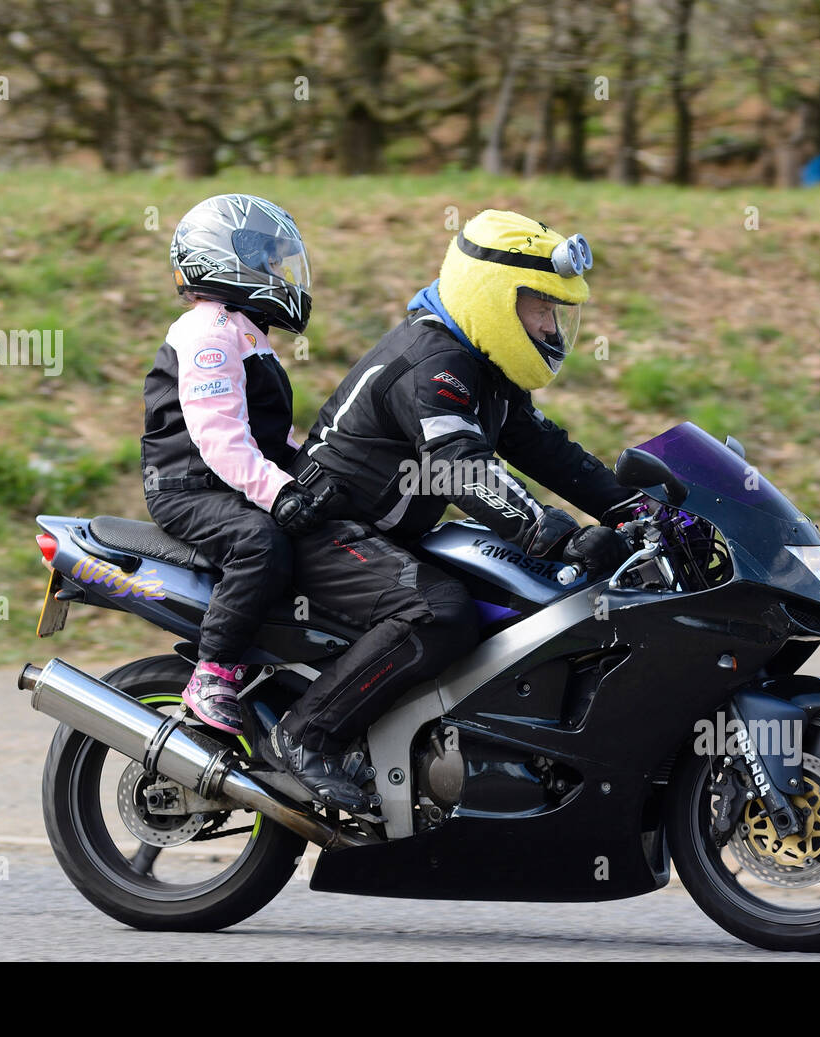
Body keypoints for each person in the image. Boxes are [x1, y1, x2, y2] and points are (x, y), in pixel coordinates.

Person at [265, 209, 640, 813]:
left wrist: (636, 509)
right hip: (327, 529)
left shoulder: (481, 367)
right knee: (439, 612)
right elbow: (456, 464)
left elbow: (550, 452)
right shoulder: (434, 361)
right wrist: (552, 532)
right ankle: (306, 736)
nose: (550, 325)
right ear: (493, 296)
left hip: (379, 533)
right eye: (539, 308)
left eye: (554, 311)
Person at [140, 194, 329, 735]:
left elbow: (268, 435)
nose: (277, 272)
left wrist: (316, 475)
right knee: (259, 542)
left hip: (230, 480)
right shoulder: (206, 332)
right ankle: (213, 671)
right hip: (189, 488)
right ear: (223, 258)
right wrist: (280, 493)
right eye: (266, 259)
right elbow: (218, 436)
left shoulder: (243, 331)